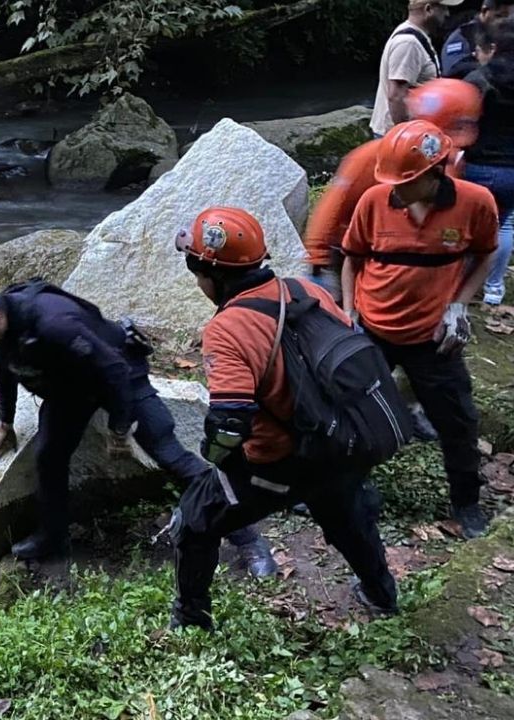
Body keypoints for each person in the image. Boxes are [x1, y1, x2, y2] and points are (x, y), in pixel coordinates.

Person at [170, 206, 398, 630]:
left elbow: (230, 423)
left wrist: (214, 458)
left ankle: (190, 620)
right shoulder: (306, 290)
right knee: (349, 517)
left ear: (212, 275)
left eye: (197, 271)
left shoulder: (227, 329)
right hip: (341, 440)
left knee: (194, 520)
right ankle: (381, 596)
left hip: (278, 461)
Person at [0, 281, 278, 577]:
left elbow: (115, 371)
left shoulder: (54, 323)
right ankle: (53, 537)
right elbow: (4, 372)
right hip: (70, 389)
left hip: (121, 376)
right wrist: (5, 422)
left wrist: (119, 428)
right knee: (48, 457)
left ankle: (248, 539)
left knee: (169, 455)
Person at [342, 120, 498, 538]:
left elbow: (484, 254)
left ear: (435, 173)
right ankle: (347, 490)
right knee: (351, 413)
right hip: (373, 329)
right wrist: (348, 314)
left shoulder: (475, 203)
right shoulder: (374, 201)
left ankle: (466, 503)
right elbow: (352, 258)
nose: (395, 190)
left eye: (405, 182)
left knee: (458, 422)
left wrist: (458, 305)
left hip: (432, 338)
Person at [306, 78, 482, 303]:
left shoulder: (449, 161)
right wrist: (318, 259)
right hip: (354, 249)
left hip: (402, 253)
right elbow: (333, 206)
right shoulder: (369, 158)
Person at [464, 19, 514, 304]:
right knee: (503, 227)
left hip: (476, 167)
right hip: (511, 172)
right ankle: (493, 290)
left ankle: (464, 287)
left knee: (467, 228)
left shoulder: (479, 80)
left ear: (495, 47)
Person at [371, 0, 462, 137]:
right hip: (397, 139)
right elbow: (396, 96)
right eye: (443, 8)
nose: (447, 14)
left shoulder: (416, 36)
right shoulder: (409, 43)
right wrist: (406, 137)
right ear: (428, 9)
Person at [442, 0, 514, 78]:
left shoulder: (508, 34)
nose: (503, 22)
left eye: (508, 18)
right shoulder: (464, 35)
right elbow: (454, 69)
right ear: (484, 11)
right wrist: (491, 66)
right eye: (499, 16)